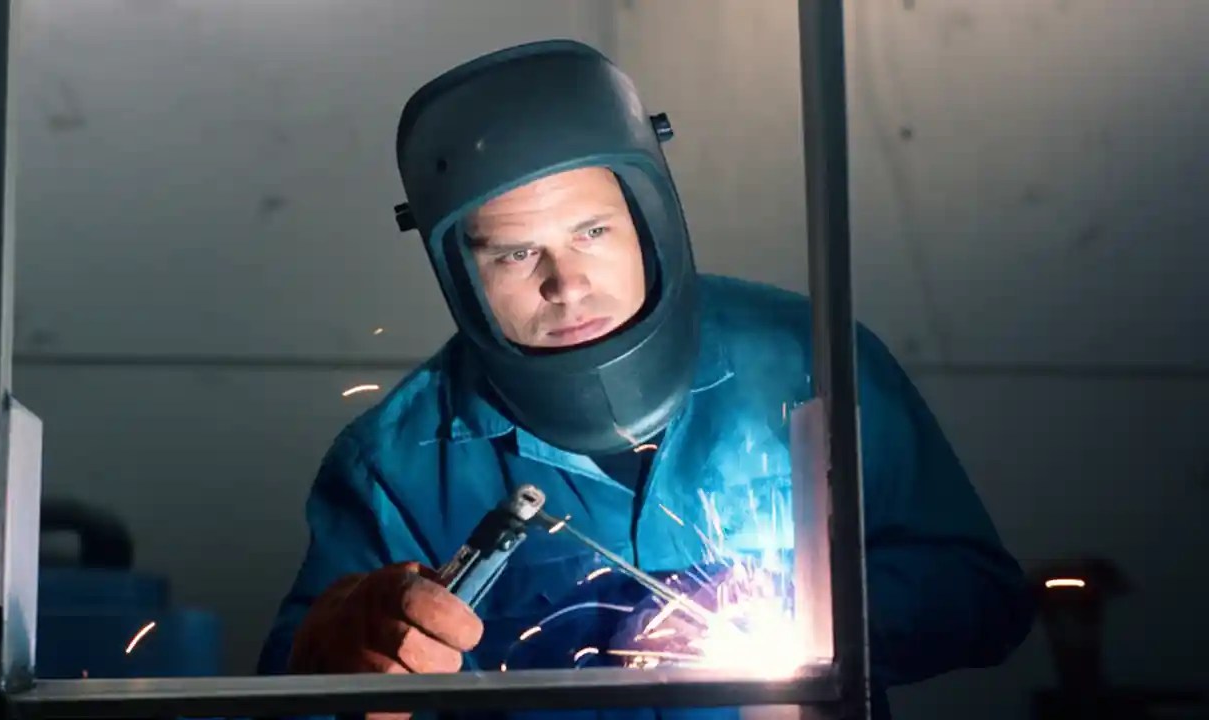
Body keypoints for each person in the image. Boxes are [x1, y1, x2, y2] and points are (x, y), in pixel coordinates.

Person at [258, 39, 1033, 719]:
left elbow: (982, 597)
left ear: (650, 217)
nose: (566, 283)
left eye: (592, 232)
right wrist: (337, 660)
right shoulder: (393, 465)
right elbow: (293, 699)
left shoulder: (807, 358)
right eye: (514, 254)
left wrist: (806, 610)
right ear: (457, 272)